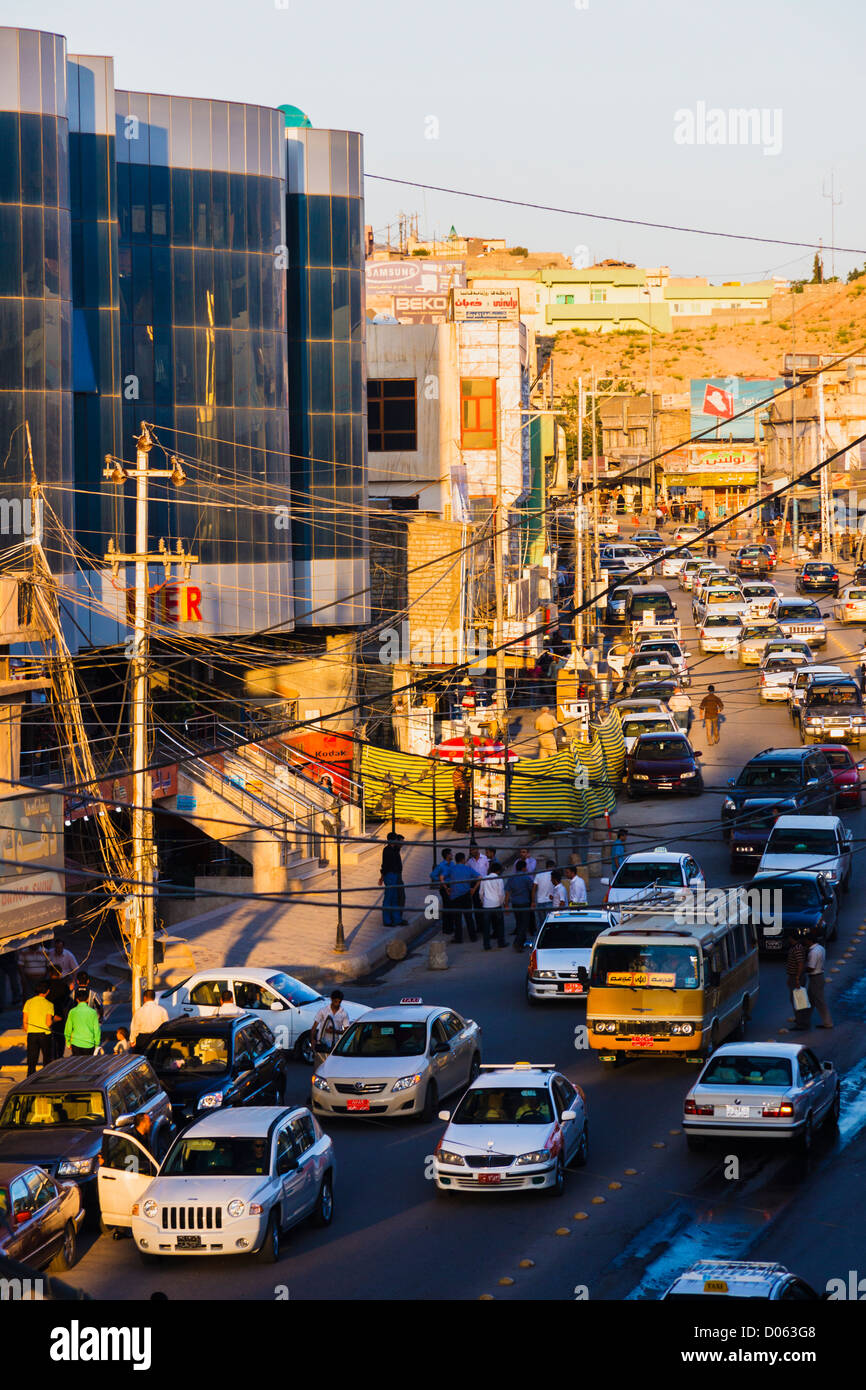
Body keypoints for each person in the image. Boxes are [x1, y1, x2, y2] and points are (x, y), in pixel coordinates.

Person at [444, 852, 480, 943]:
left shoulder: (451, 869)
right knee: (469, 917)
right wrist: (474, 889)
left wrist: (447, 888)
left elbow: (441, 877)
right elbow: (480, 877)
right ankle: (473, 937)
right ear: (463, 860)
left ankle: (458, 938)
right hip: (466, 895)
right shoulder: (468, 869)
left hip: (455, 897)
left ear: (456, 860)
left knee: (457, 919)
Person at [23, 982, 56, 1075]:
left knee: (32, 1059)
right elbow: (48, 1023)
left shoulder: (28, 1002)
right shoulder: (49, 1004)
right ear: (47, 991)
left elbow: (25, 1023)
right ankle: (45, 1076)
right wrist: (55, 1020)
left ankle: (30, 1077)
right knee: (47, 1058)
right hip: (44, 1034)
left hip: (32, 1034)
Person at [505, 857, 535, 951]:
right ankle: (517, 943)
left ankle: (522, 941)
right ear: (523, 868)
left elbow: (507, 892)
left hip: (515, 903)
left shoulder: (511, 878)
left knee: (519, 923)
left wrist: (506, 904)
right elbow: (532, 890)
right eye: (525, 867)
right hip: (525, 903)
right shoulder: (527, 878)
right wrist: (533, 901)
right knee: (524, 924)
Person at [806, 930, 833, 1029]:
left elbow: (811, 967)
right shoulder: (820, 948)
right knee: (810, 1000)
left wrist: (801, 969)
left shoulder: (813, 952)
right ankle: (805, 1020)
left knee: (819, 1001)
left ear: (809, 941)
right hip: (820, 975)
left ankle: (828, 1022)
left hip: (815, 977)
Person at [379, 830, 406, 929]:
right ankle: (387, 920)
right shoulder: (387, 850)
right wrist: (382, 877)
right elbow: (385, 865)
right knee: (388, 898)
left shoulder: (394, 849)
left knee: (395, 898)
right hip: (389, 876)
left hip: (394, 875)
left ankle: (396, 919)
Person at [64, 988, 101, 1056]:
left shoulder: (72, 1012)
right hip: (89, 1043)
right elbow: (96, 1029)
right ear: (87, 999)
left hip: (76, 1042)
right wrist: (97, 1044)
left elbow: (68, 1028)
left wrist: (68, 1042)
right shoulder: (93, 1012)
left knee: (78, 1064)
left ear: (77, 999)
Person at [478, 862, 506, 950]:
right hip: (497, 904)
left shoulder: (484, 879)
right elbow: (501, 893)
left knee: (486, 927)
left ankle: (486, 945)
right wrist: (502, 903)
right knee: (500, 925)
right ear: (498, 871)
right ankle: (501, 942)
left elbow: (481, 893)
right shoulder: (499, 879)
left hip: (486, 905)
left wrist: (483, 901)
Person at [46, 964, 71, 1061]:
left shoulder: (45, 984)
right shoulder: (64, 985)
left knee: (49, 1036)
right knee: (60, 1036)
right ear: (60, 973)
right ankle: (59, 1056)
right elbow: (67, 1000)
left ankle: (51, 1056)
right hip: (60, 1013)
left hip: (47, 1014)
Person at [786, 930, 810, 1031]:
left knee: (798, 1000)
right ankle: (801, 1020)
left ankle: (801, 1023)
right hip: (794, 976)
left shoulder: (797, 949)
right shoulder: (797, 947)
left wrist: (797, 978)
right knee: (797, 999)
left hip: (797, 977)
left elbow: (800, 964)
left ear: (791, 938)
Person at [312, 990, 350, 1055]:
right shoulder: (323, 1010)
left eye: (339, 1002)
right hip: (321, 1043)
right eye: (335, 1001)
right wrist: (312, 1040)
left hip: (335, 1044)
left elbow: (346, 1031)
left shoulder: (344, 1013)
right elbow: (314, 1027)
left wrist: (334, 1031)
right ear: (331, 999)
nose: (337, 1003)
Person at [431, 847, 454, 932]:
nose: (452, 855)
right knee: (447, 906)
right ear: (447, 855)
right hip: (444, 887)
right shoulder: (441, 866)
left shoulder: (452, 864)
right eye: (451, 854)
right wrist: (441, 880)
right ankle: (446, 928)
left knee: (451, 907)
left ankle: (451, 927)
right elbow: (433, 875)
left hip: (451, 886)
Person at [532, 859, 556, 930]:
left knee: (541, 923)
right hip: (550, 901)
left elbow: (533, 889)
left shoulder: (539, 875)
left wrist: (533, 901)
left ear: (546, 866)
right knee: (551, 921)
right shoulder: (554, 875)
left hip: (540, 902)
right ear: (553, 867)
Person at [452, 765, 471, 833]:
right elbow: (462, 784)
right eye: (462, 767)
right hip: (461, 793)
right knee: (462, 811)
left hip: (459, 793)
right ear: (459, 767)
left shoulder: (459, 773)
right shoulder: (458, 773)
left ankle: (456, 826)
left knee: (460, 811)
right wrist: (468, 784)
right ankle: (461, 829)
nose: (464, 768)